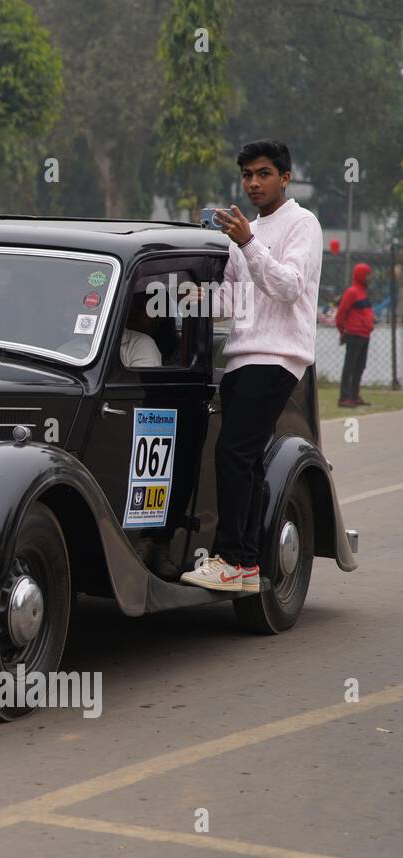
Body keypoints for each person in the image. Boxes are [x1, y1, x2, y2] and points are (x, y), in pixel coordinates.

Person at [181, 139, 322, 592]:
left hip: (278, 355)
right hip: (242, 355)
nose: (254, 183)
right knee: (250, 464)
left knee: (233, 453)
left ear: (285, 177)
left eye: (263, 174)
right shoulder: (247, 229)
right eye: (247, 175)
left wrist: (248, 243)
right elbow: (232, 300)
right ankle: (250, 567)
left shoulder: (303, 224)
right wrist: (181, 297)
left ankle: (232, 559)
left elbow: (288, 287)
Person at [334, 263, 375, 408]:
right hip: (354, 334)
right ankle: (344, 398)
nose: (370, 277)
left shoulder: (363, 292)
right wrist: (342, 331)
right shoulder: (352, 292)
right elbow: (341, 314)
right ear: (361, 275)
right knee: (350, 367)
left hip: (365, 335)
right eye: (368, 274)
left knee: (360, 366)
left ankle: (354, 395)